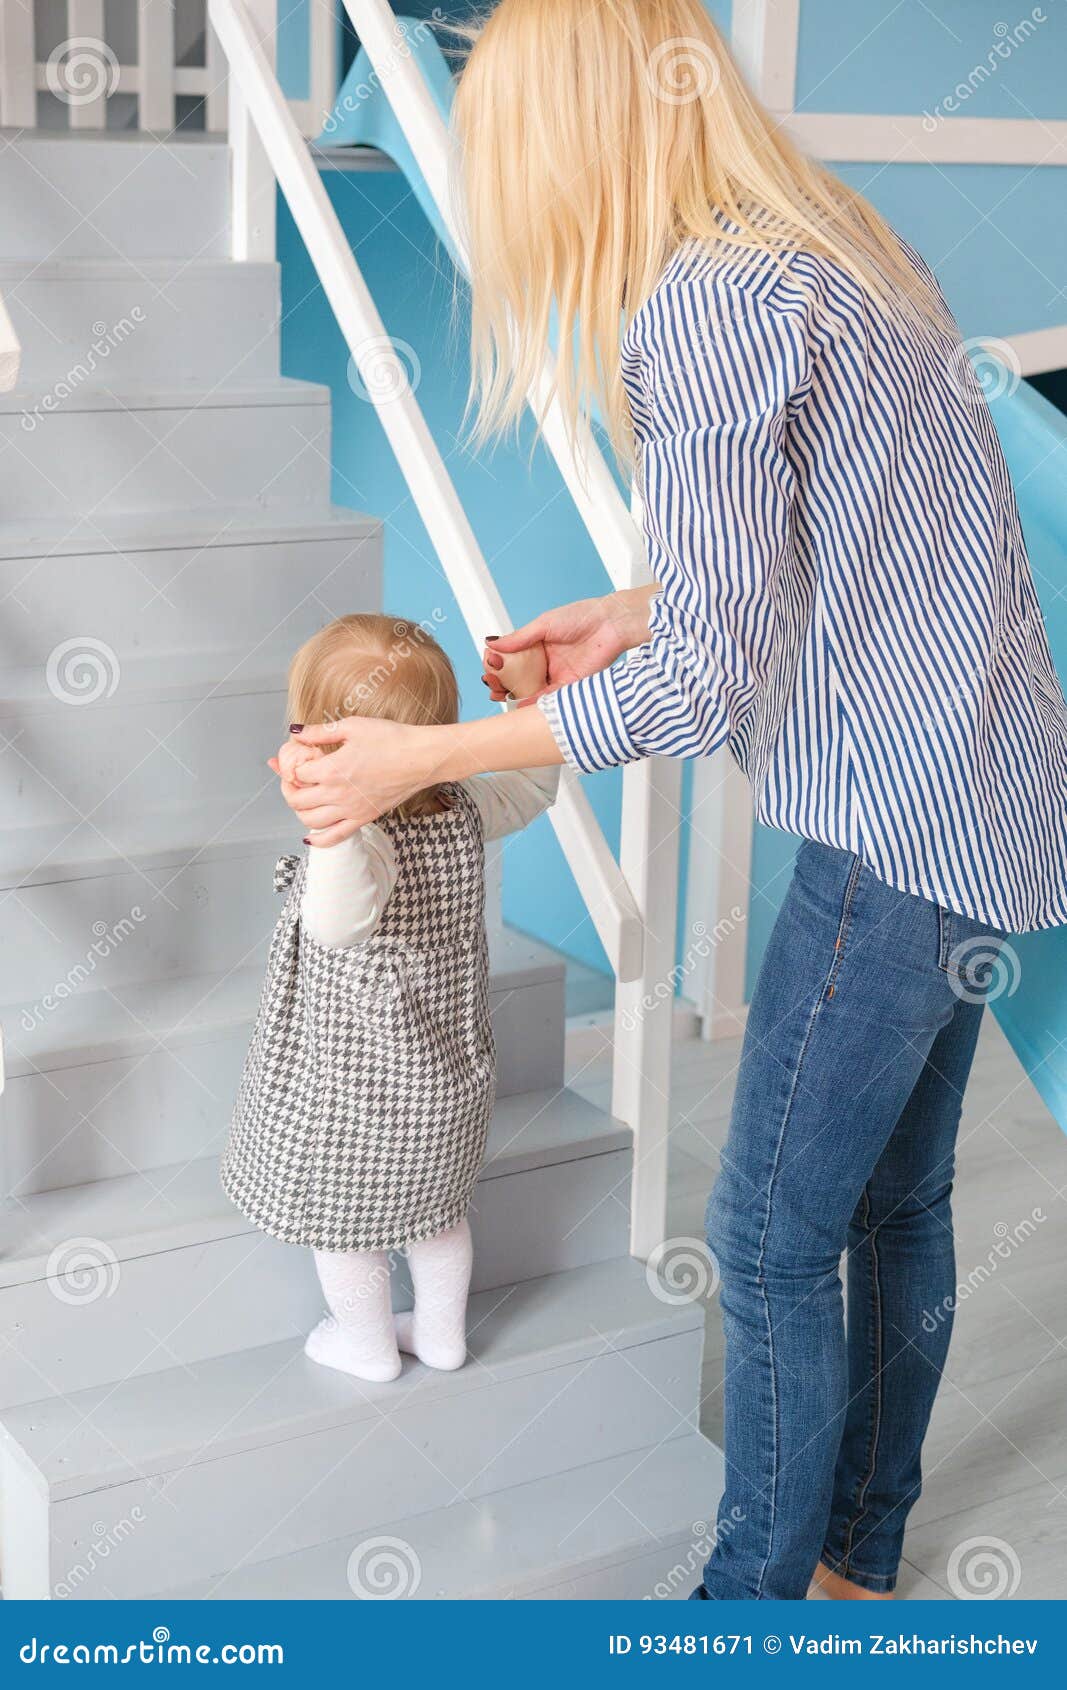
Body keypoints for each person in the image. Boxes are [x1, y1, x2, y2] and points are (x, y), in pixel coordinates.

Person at [274, 0, 1067, 1598]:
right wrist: (629, 610)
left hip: (889, 828)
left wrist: (419, 758)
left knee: (769, 1239)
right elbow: (867, 532)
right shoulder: (835, 245)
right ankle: (855, 1550)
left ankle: (742, 1611)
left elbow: (706, 690)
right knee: (897, 1197)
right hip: (997, 793)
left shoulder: (701, 304)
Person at [225, 614, 556, 1384]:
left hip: (355, 1093)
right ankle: (440, 1336)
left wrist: (329, 826)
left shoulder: (358, 837)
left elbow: (337, 925)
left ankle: (364, 1342)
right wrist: (524, 710)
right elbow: (535, 781)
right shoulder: (466, 804)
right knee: (437, 1215)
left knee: (344, 1227)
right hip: (444, 1077)